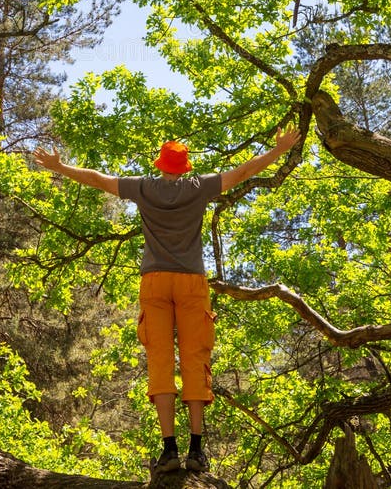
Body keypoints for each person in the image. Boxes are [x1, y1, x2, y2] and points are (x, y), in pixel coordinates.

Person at [33, 126, 300, 474]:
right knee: (195, 359)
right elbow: (245, 171)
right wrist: (279, 150)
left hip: (155, 282)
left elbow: (99, 180)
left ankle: (169, 450)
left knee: (160, 361)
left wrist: (60, 167)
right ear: (185, 167)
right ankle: (197, 451)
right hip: (191, 283)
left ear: (160, 165)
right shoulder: (199, 187)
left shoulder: (144, 187)